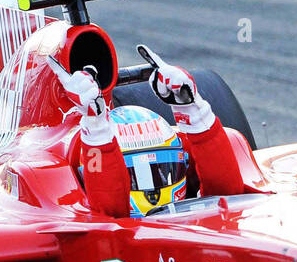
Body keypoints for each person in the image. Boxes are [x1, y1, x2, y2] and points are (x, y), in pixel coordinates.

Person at [52, 46, 246, 217]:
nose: (154, 192)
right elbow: (110, 211)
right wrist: (95, 125)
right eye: (134, 177)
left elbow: (229, 198)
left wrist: (195, 113)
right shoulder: (98, 167)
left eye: (161, 171)